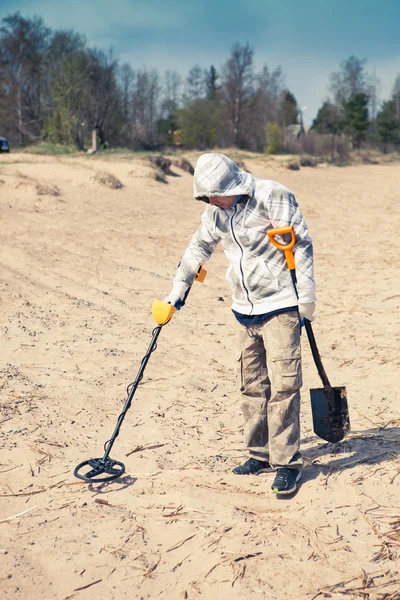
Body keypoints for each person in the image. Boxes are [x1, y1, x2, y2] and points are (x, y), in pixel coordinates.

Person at [164, 153, 316, 495]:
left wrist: (306, 297)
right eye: (205, 197)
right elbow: (199, 246)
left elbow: (301, 243)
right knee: (252, 385)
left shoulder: (273, 195)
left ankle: (286, 463)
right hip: (243, 309)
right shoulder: (216, 211)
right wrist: (178, 288)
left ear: (233, 185)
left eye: (215, 194)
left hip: (280, 305)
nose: (211, 201)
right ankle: (258, 454)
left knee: (284, 387)